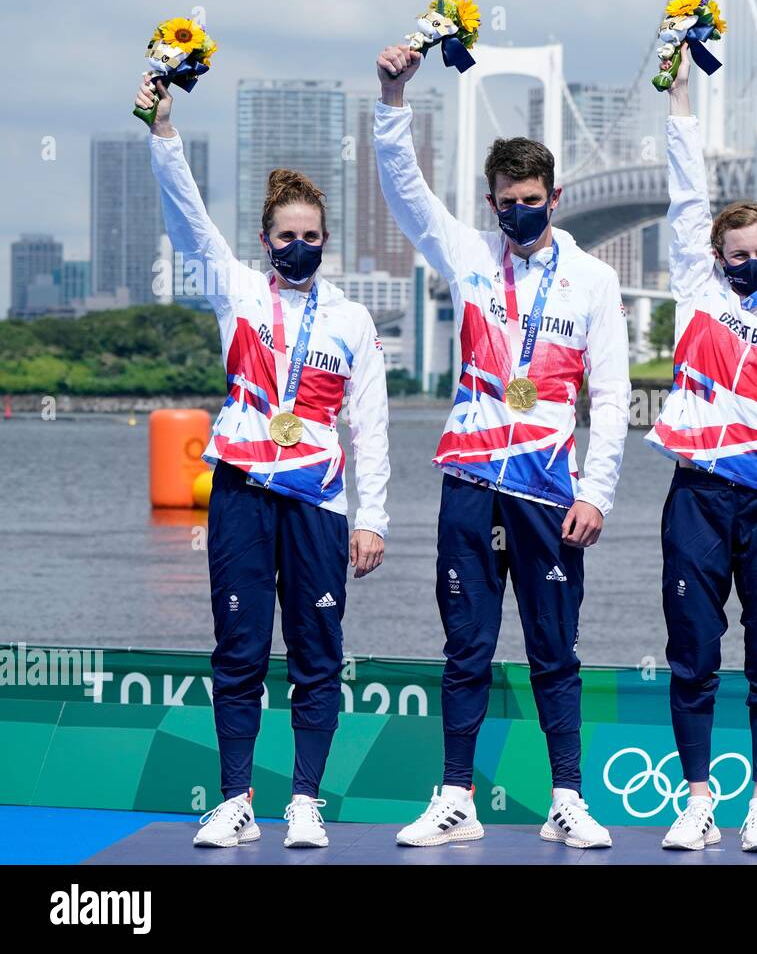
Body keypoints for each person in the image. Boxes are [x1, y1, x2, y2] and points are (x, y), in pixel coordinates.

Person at [371, 45, 630, 849]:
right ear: (491, 203)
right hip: (470, 483)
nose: (519, 212)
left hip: (551, 491)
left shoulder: (593, 281)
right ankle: (454, 798)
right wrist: (392, 96)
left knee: (556, 651)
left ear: (557, 197)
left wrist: (597, 492)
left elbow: (613, 396)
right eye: (506, 201)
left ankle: (568, 800)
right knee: (465, 647)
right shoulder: (469, 256)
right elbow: (405, 192)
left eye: (532, 199)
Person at [138, 74, 391, 850]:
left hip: (318, 501)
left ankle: (306, 802)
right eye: (286, 235)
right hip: (243, 491)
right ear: (264, 241)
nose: (300, 246)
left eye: (312, 235)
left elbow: (371, 423)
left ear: (326, 239)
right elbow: (187, 217)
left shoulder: (351, 317)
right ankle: (236, 799)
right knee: (239, 649)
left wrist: (372, 518)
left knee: (318, 654)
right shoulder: (236, 292)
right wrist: (164, 131)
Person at [645, 50, 757, 852]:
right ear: (717, 254)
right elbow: (688, 189)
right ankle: (696, 802)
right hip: (696, 490)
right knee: (692, 651)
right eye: (739, 251)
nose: (752, 262)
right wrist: (682, 90)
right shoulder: (696, 290)